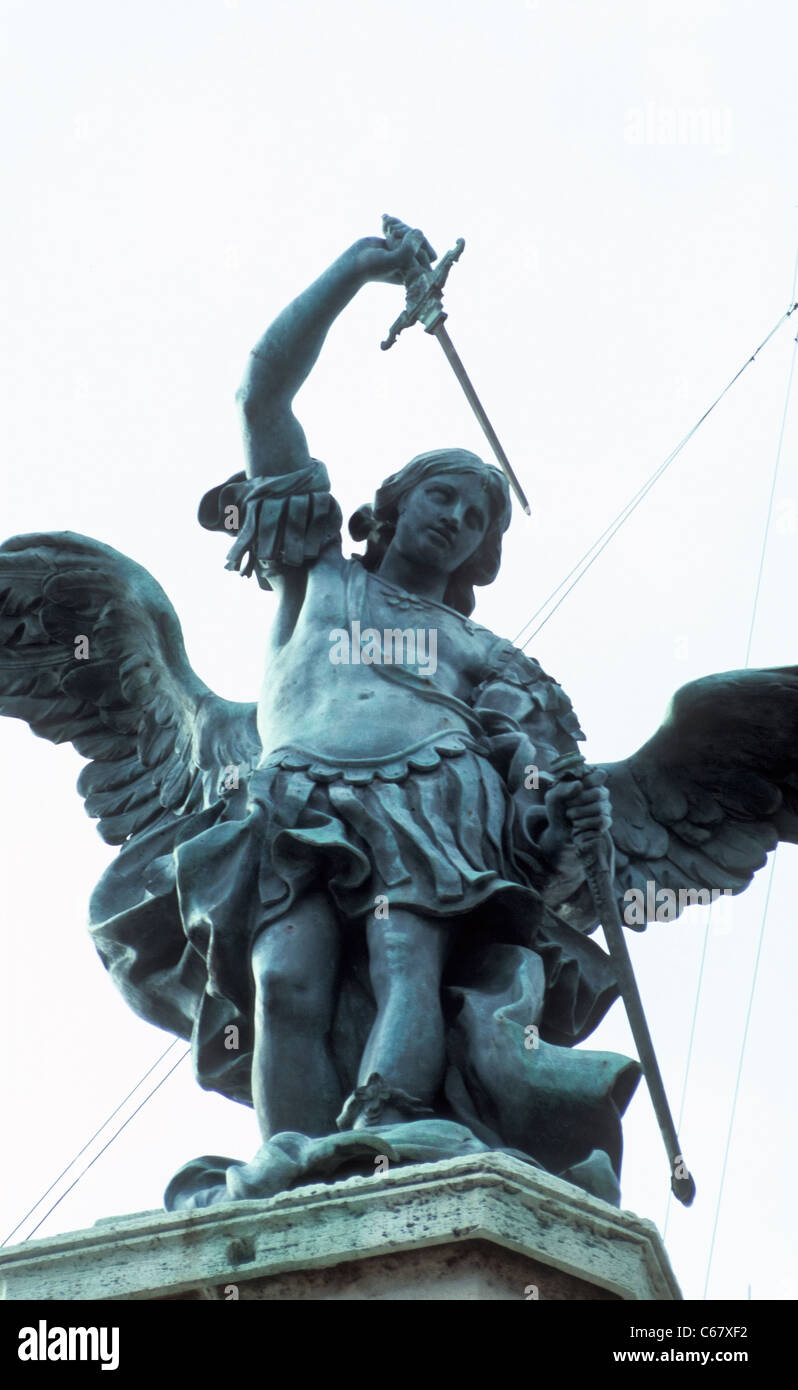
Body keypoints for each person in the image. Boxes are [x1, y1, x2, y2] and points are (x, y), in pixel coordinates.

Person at [191, 224, 619, 1146]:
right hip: (296, 788)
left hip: (433, 796)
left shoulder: (481, 650)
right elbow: (261, 389)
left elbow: (529, 768)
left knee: (403, 962)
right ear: (394, 503)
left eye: (476, 518)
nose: (459, 519)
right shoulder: (317, 570)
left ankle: (389, 1129)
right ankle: (293, 1165)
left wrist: (557, 804)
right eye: (444, 497)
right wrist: (353, 270)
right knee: (285, 981)